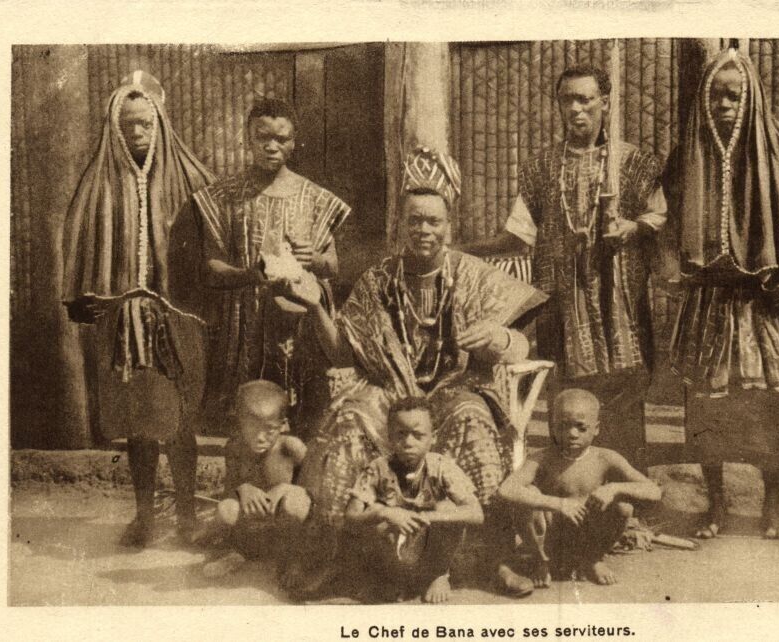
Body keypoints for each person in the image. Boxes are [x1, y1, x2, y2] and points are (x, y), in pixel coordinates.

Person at [277, 146, 547, 599]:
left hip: (453, 387)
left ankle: (490, 561)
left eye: (433, 221)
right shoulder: (378, 279)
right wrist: (316, 307)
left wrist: (498, 340)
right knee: (349, 421)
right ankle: (333, 559)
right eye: (414, 220)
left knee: (472, 420)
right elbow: (344, 352)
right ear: (400, 224)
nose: (423, 229)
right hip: (390, 389)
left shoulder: (473, 275)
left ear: (448, 226)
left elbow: (520, 342)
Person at [662, 48, 779, 540]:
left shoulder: (773, 151)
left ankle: (773, 507)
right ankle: (716, 508)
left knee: (767, 410)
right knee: (705, 413)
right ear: (701, 101)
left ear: (750, 102)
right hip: (708, 302)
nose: (723, 106)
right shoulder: (686, 157)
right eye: (715, 96)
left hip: (760, 302)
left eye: (734, 96)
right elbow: (664, 217)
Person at [464, 65, 667, 470]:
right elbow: (517, 238)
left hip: (621, 309)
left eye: (585, 99)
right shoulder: (541, 170)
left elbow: (660, 216)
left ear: (604, 103)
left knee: (625, 402)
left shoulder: (633, 163)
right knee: (568, 407)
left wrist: (631, 227)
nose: (576, 109)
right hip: (562, 309)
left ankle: (629, 502)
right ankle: (565, 496)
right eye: (567, 100)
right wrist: (462, 249)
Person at [61, 70, 214, 547]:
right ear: (114, 128)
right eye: (127, 125)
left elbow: (216, 241)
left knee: (181, 422)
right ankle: (145, 514)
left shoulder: (192, 179)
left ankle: (188, 513)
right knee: (139, 425)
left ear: (161, 123)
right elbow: (80, 245)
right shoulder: (98, 184)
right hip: (122, 321)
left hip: (178, 318)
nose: (137, 134)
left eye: (145, 124)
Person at [189, 98, 351, 435]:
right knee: (247, 422)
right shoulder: (224, 197)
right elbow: (210, 268)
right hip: (243, 325)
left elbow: (332, 266)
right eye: (262, 137)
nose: (271, 146)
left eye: (281, 138)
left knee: (301, 419)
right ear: (248, 139)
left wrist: (314, 260)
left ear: (293, 142)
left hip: (300, 323)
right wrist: (250, 275)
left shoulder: (314, 198)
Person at [497, 389, 661, 589]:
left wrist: (615, 488)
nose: (572, 434)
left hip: (588, 537)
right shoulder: (542, 458)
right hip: (551, 537)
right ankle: (541, 561)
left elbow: (654, 491)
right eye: (564, 426)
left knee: (623, 507)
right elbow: (507, 489)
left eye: (581, 428)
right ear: (553, 426)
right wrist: (559, 504)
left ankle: (593, 560)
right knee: (527, 496)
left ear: (596, 428)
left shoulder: (605, 458)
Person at [345, 397, 484, 603]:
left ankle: (438, 574)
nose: (408, 442)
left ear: (433, 437)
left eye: (418, 435)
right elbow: (351, 515)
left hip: (430, 547)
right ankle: (392, 578)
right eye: (400, 434)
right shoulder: (378, 468)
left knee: (447, 506)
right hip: (392, 547)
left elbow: (476, 513)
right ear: (389, 436)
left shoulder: (441, 466)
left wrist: (428, 516)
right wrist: (384, 512)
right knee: (375, 509)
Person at [203, 380, 310, 578]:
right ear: (239, 423)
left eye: (269, 429)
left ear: (283, 425)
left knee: (295, 502)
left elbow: (314, 490)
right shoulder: (235, 448)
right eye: (252, 428)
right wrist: (243, 488)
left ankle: (296, 561)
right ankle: (233, 553)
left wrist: (286, 488)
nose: (260, 437)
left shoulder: (291, 448)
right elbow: (228, 492)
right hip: (254, 527)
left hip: (287, 527)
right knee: (226, 509)